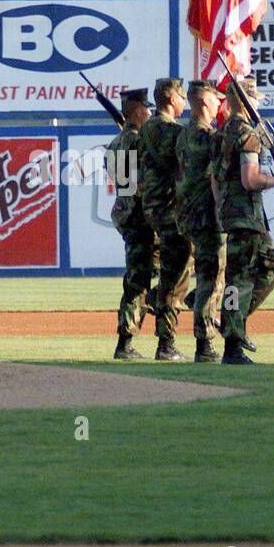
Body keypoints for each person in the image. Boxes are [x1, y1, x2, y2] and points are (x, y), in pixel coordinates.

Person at [216, 75, 274, 364]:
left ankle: (231, 324)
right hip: (247, 216)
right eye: (255, 99)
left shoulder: (223, 131)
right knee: (239, 282)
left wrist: (221, 208)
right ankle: (232, 342)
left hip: (235, 215)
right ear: (248, 101)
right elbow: (250, 180)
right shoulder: (247, 134)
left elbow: (215, 178)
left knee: (271, 265)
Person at [137, 77, 193, 361]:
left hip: (152, 209)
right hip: (171, 211)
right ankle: (166, 343)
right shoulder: (172, 132)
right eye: (182, 97)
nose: (185, 103)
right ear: (171, 98)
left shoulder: (144, 129)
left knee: (181, 268)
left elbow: (128, 175)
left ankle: (157, 301)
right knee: (176, 274)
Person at [175, 80, 227, 363]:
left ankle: (201, 335)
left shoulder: (182, 134)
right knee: (212, 279)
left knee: (207, 277)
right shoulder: (207, 137)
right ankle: (205, 345)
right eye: (217, 100)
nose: (220, 105)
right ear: (206, 103)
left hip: (187, 214)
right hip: (207, 216)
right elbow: (216, 177)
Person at [106, 88, 155, 359]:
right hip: (141, 217)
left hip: (128, 215)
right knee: (139, 280)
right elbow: (134, 184)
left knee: (143, 277)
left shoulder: (118, 142)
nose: (149, 112)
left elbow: (120, 179)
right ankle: (126, 343)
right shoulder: (136, 141)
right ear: (137, 110)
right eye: (146, 108)